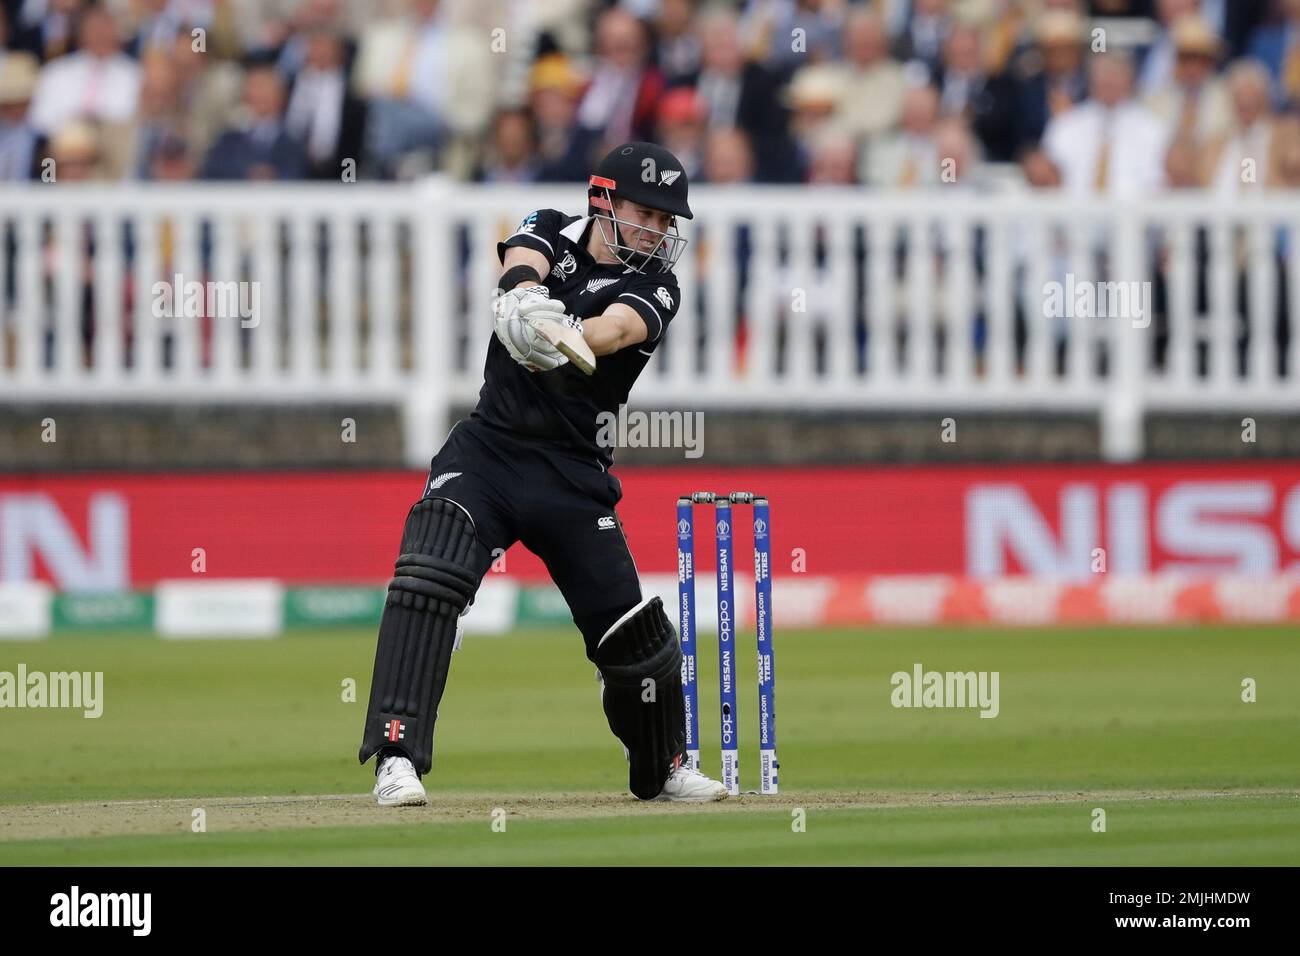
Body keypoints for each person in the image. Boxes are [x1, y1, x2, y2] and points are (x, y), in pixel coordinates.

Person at [358, 142, 728, 806]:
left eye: (668, 221)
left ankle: (664, 765)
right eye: (645, 213)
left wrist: (563, 332)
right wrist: (523, 297)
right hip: (489, 452)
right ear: (604, 200)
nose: (657, 230)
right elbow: (522, 258)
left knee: (633, 639)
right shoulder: (552, 226)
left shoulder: (657, 285)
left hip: (573, 472)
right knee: (428, 577)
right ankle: (396, 756)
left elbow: (615, 330)